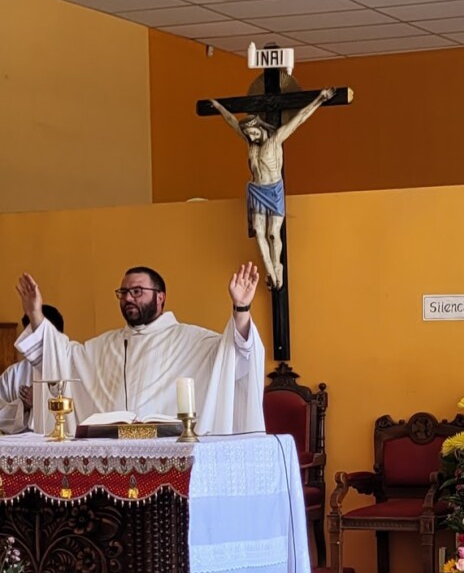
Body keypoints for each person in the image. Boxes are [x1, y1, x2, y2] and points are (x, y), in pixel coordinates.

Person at [14, 263, 265, 435]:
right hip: (112, 457)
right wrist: (35, 314)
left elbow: (235, 354)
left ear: (160, 297)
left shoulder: (191, 340)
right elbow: (60, 358)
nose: (128, 298)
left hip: (169, 453)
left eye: (137, 291)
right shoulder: (106, 345)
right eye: (123, 292)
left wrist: (241, 309)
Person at [208, 88, 337, 291]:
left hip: (274, 190)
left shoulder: (276, 140)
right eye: (248, 134)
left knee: (272, 234)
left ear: (260, 127)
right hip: (256, 190)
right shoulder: (251, 145)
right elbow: (232, 122)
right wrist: (218, 107)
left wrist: (320, 99)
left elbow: (299, 119)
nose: (251, 137)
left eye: (253, 133)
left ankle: (278, 267)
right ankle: (270, 272)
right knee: (259, 232)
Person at [0, 305, 63, 434]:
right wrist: (23, 406)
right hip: (22, 445)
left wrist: (41, 397)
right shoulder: (13, 374)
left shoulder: (70, 368)